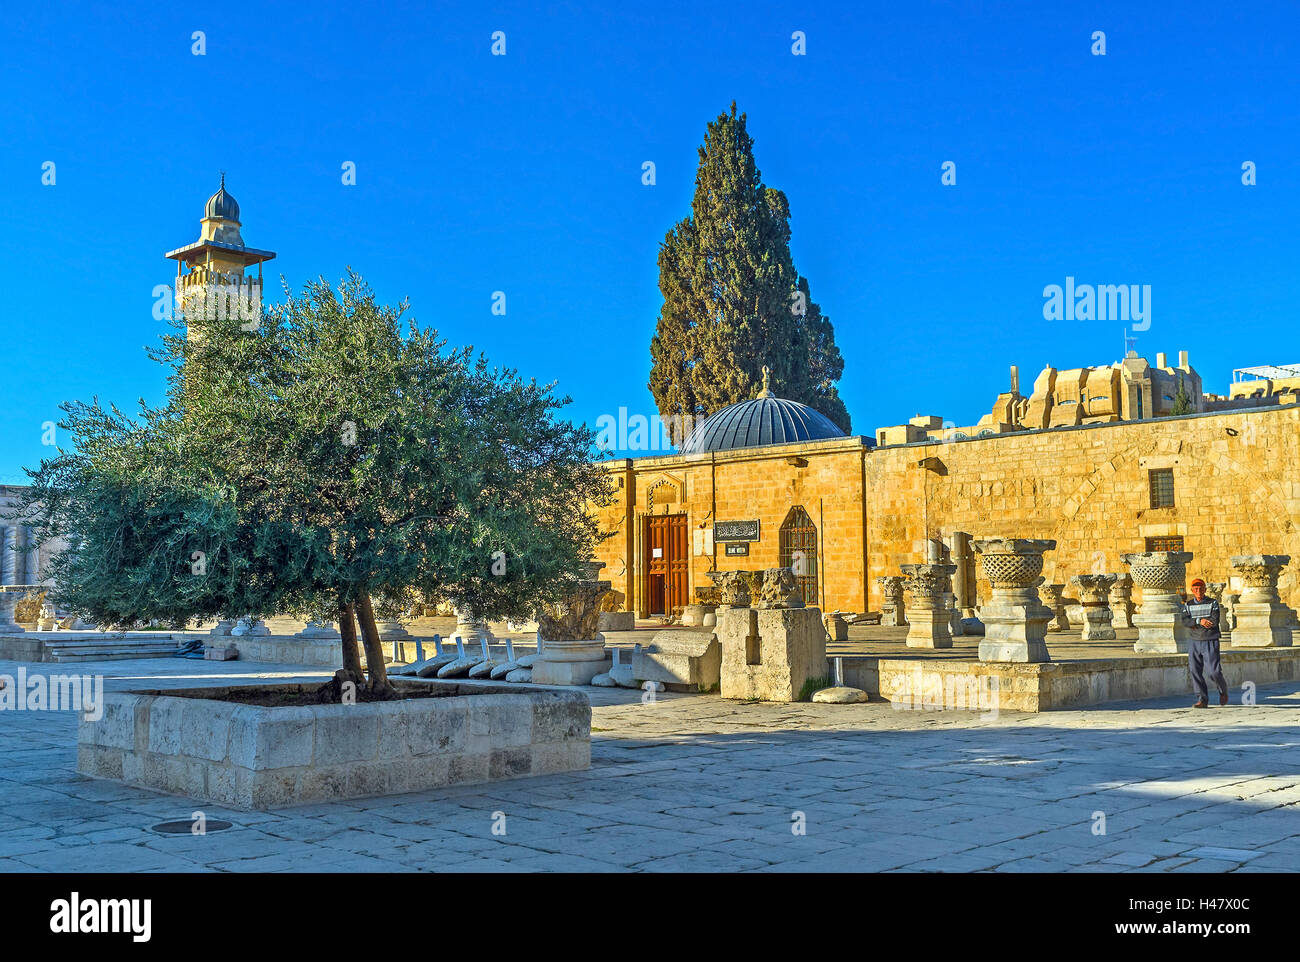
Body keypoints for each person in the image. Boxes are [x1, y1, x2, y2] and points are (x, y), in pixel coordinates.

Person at [1183, 578, 1227, 708]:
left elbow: (1214, 620)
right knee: (1195, 670)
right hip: (1194, 641)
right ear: (1192, 590)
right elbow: (1185, 621)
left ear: (1205, 589)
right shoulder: (1188, 605)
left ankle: (1223, 690)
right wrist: (1199, 621)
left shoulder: (1213, 603)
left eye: (1200, 588)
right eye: (1195, 589)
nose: (1198, 591)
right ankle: (1202, 699)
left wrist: (1196, 622)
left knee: (1214, 671)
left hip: (1210, 640)